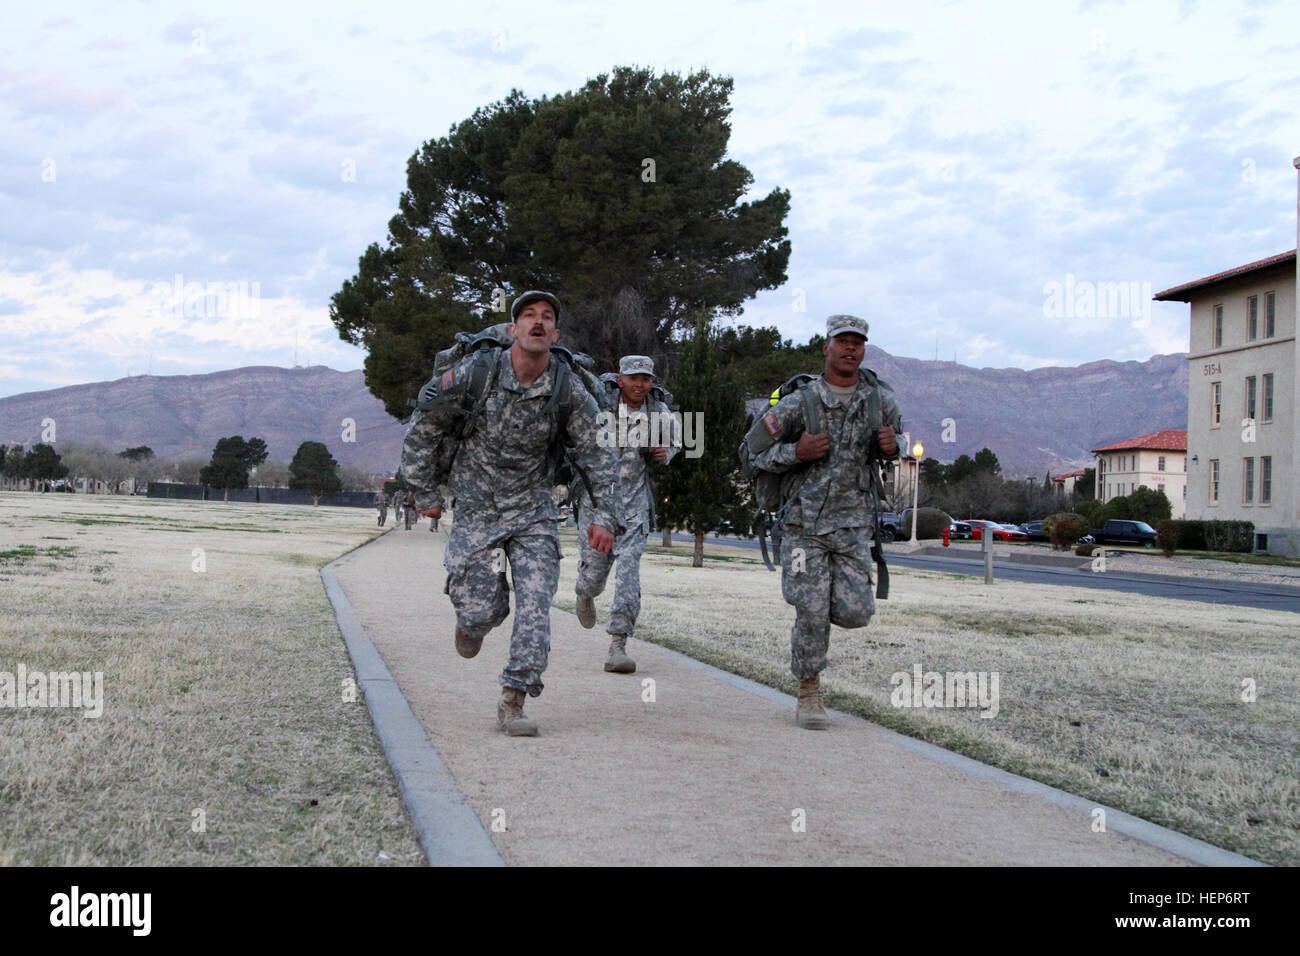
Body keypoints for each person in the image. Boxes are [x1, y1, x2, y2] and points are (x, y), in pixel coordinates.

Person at [404, 291, 619, 736]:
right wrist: (424, 489)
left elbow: (598, 454)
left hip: (533, 509)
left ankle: (514, 699)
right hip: (477, 507)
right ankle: (474, 621)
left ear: (555, 334)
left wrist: (602, 514)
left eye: (546, 318)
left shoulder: (567, 388)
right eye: (528, 316)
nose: (538, 322)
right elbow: (425, 427)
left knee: (537, 603)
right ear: (514, 330)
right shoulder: (476, 372)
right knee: (479, 611)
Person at [741, 315, 902, 730]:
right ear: (826, 347)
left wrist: (893, 446)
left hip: (853, 528)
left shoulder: (880, 401)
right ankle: (809, 691)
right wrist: (797, 452)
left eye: (857, 343)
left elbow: (894, 442)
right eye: (842, 341)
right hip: (803, 528)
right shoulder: (800, 402)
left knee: (856, 612)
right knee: (811, 612)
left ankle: (814, 623)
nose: (850, 349)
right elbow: (751, 454)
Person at [574, 355, 678, 674]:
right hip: (597, 504)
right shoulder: (600, 407)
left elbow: (674, 442)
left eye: (645, 379)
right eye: (633, 378)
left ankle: (617, 645)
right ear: (620, 380)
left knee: (629, 575)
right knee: (593, 576)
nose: (639, 385)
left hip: (635, 506)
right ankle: (584, 593)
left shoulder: (657, 410)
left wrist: (666, 452)